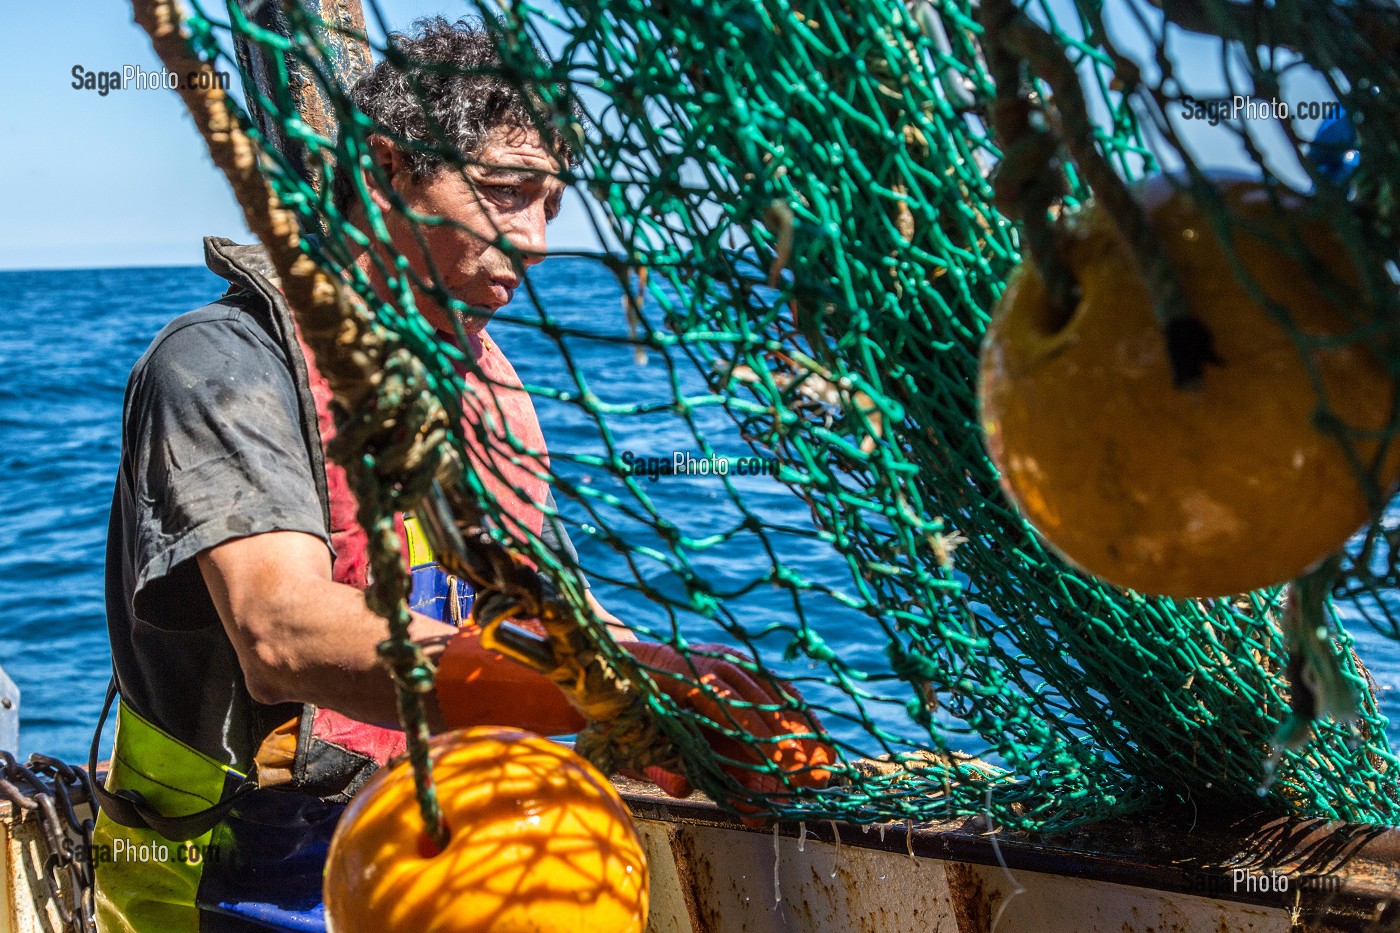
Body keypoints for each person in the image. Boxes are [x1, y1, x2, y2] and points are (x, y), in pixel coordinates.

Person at [93, 17, 828, 933]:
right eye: (505, 193)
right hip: (227, 891)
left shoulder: (493, 390)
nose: (535, 241)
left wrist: (669, 714)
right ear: (390, 167)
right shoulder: (221, 362)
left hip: (435, 862)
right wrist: (626, 682)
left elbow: (537, 617)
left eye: (551, 206)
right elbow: (281, 636)